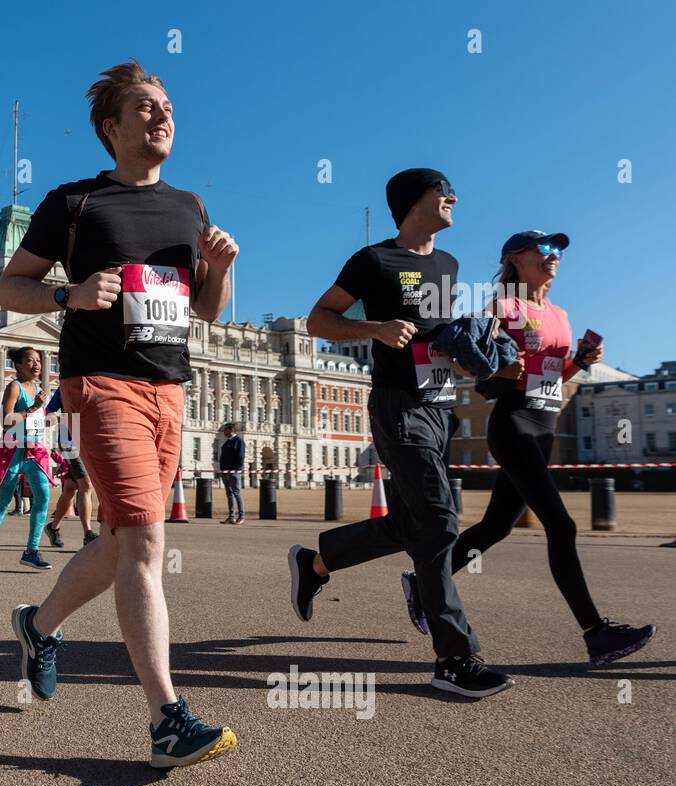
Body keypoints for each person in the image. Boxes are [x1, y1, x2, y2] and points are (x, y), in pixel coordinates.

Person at [0, 61, 238, 767]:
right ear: (112, 127)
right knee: (143, 544)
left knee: (129, 537)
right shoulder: (75, 202)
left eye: (166, 106)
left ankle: (38, 626)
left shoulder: (189, 206)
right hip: (100, 384)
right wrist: (69, 296)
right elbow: (14, 286)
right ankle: (167, 717)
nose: (162, 116)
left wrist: (219, 267)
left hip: (170, 388)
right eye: (145, 107)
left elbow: (204, 309)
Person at [288, 167, 514, 699]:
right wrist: (374, 329)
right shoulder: (373, 260)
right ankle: (454, 658)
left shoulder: (448, 265)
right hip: (397, 407)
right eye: (444, 191)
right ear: (416, 201)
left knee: (415, 523)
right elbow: (318, 320)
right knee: (438, 519)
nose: (454, 197)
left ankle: (315, 562)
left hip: (438, 407)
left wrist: (476, 341)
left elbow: (437, 337)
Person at [400, 230, 653, 666]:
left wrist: (581, 362)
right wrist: (502, 366)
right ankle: (596, 634)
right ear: (516, 258)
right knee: (563, 526)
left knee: (497, 526)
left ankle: (423, 583)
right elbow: (472, 367)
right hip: (513, 424)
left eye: (557, 251)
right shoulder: (502, 307)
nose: (554, 257)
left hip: (544, 424)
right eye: (545, 249)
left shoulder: (560, 313)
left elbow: (552, 381)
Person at [0, 347, 55, 571]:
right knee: (3, 502)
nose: (36, 365)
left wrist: (48, 419)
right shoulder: (15, 387)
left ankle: (31, 551)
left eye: (38, 361)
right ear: (19, 366)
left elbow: (36, 420)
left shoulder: (40, 389)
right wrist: (33, 408)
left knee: (43, 498)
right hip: (14, 451)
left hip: (36, 451)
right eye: (30, 361)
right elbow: (6, 420)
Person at [42, 387, 98, 548]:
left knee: (71, 487)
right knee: (86, 485)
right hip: (70, 442)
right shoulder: (67, 386)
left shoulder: (98, 384)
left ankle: (53, 528)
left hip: (89, 443)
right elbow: (50, 411)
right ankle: (88, 534)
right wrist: (54, 419)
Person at [219, 422, 245, 524]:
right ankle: (231, 516)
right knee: (229, 494)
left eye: (225, 430)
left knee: (236, 493)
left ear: (230, 430)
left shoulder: (238, 441)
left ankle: (241, 516)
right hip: (225, 471)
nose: (224, 432)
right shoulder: (227, 442)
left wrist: (237, 469)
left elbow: (240, 456)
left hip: (233, 472)